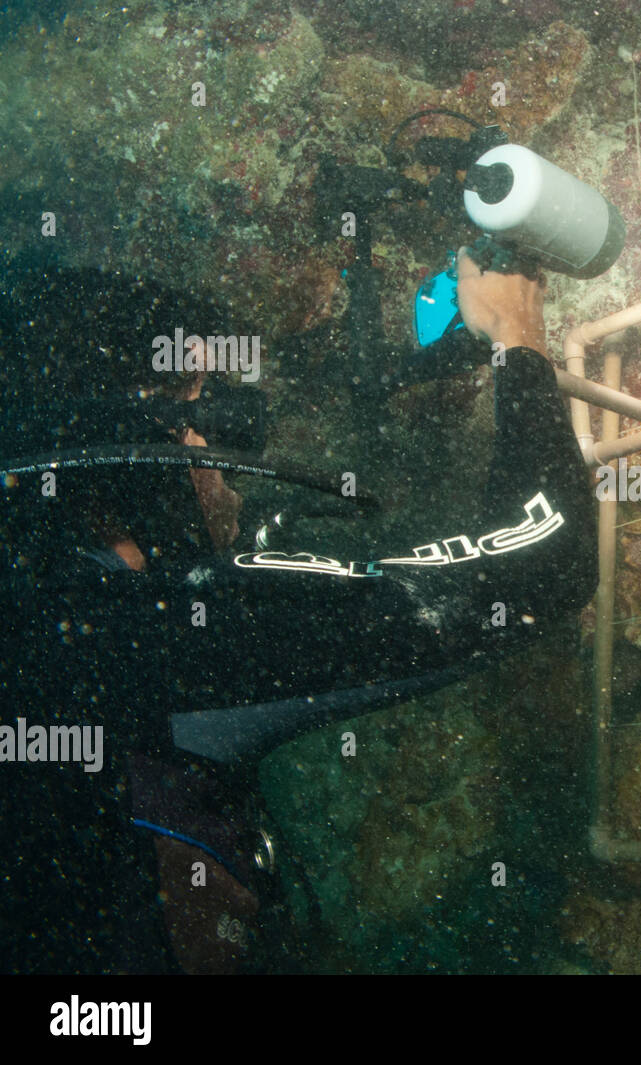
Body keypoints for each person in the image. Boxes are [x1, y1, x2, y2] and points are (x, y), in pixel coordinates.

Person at [0, 250, 597, 972]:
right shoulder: (151, 632)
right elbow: (541, 564)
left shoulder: (50, 627)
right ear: (121, 446)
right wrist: (517, 337)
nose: (218, 454)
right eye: (204, 417)